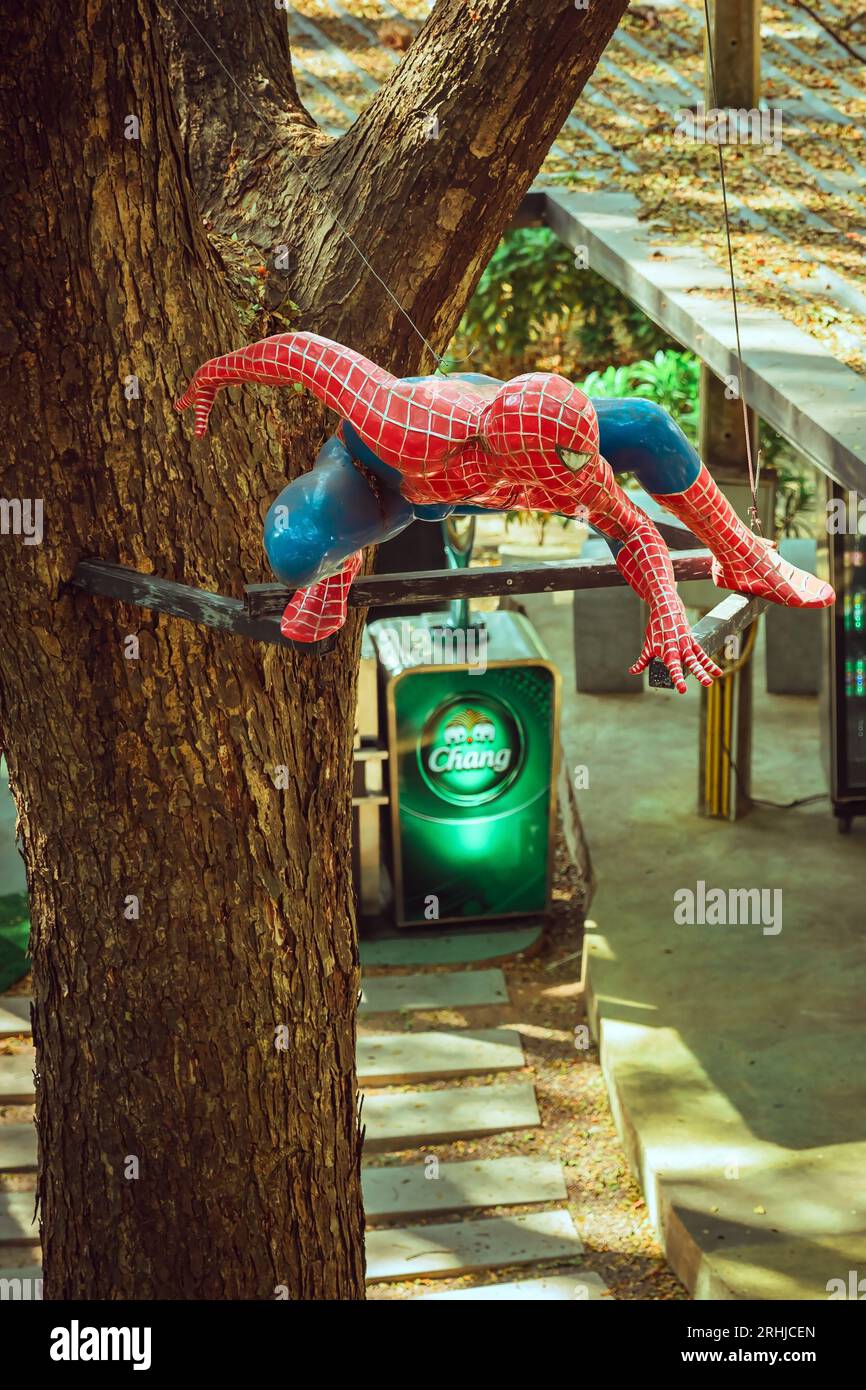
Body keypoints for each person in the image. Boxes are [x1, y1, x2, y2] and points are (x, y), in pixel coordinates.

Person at [176, 332, 833, 692]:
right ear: (512, 460)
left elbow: (630, 527)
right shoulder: (405, 419)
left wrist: (665, 612)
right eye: (566, 473)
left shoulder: (571, 466)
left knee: (650, 423)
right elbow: (300, 353)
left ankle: (743, 554)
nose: (579, 483)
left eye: (580, 462)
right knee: (297, 551)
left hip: (509, 446)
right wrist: (213, 375)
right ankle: (336, 567)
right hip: (387, 484)